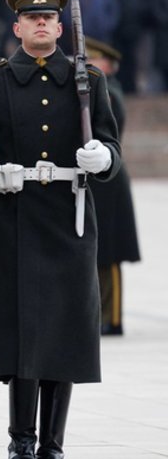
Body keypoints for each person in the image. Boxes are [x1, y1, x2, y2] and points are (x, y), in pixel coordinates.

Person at [0, 0, 121, 459]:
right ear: (17, 27)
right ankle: (21, 441)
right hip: (16, 218)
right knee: (23, 332)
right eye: (32, 17)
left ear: (61, 28)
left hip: (69, 218)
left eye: (50, 17)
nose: (42, 23)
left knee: (65, 331)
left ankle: (53, 446)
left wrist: (103, 157)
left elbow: (111, 145)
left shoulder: (87, 79)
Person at [84, 37, 140, 335]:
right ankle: (102, 315)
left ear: (108, 65)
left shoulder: (110, 94)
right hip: (97, 181)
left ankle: (113, 316)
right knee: (98, 253)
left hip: (111, 181)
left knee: (110, 253)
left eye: (94, 61)